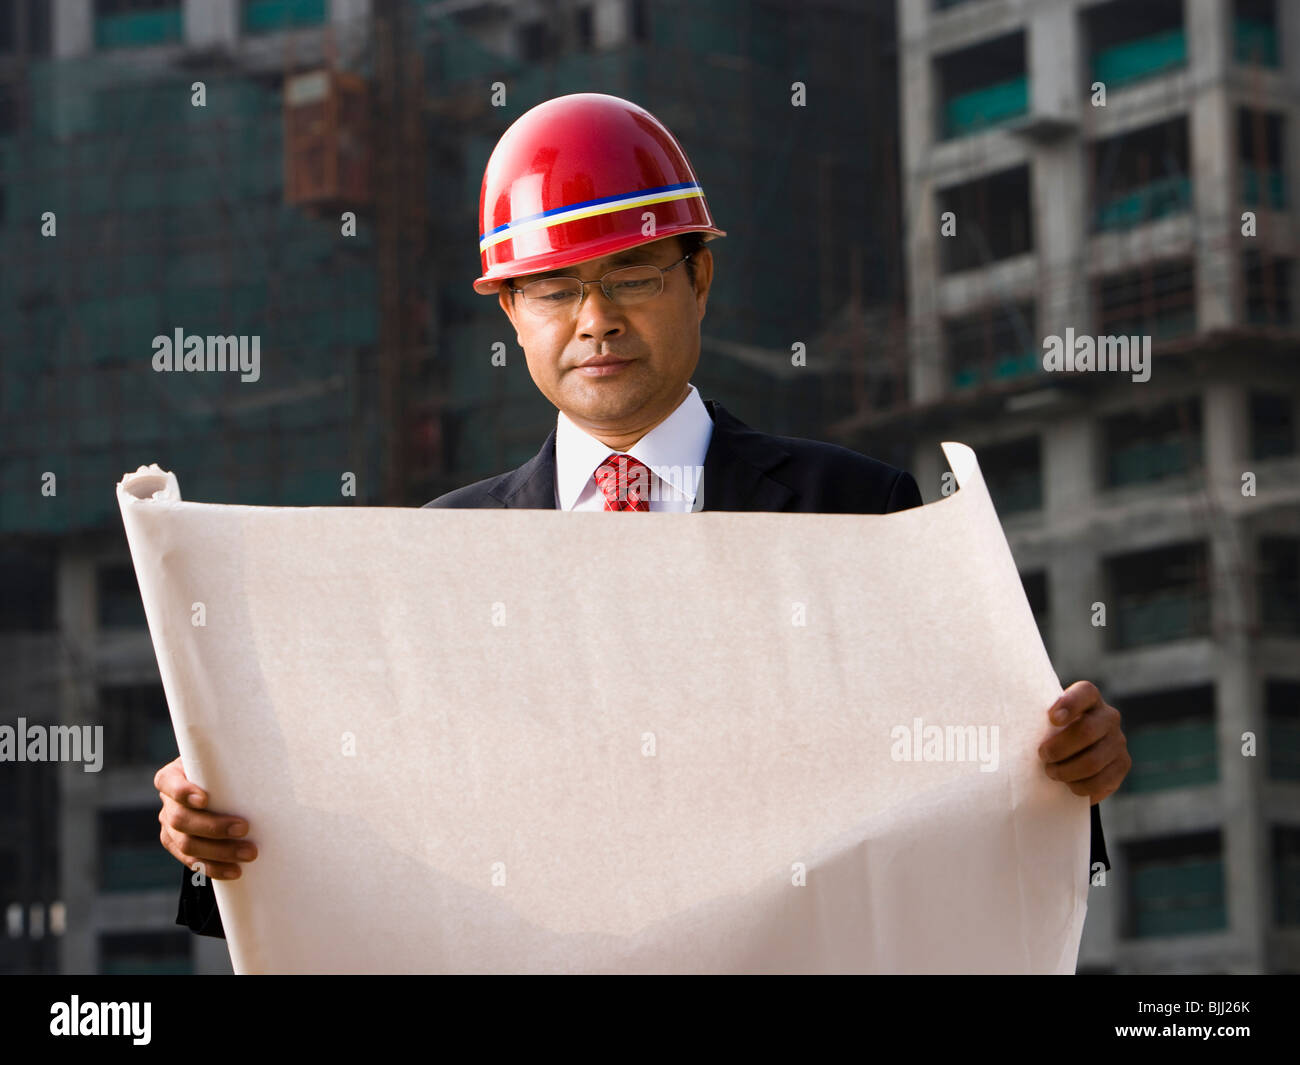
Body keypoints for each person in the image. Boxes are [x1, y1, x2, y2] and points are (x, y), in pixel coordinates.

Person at [157, 93, 1131, 942]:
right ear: (509, 314)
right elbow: (372, 827)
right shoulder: (449, 559)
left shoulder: (858, 513)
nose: (594, 320)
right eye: (551, 289)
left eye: (630, 278)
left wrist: (1059, 779)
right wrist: (214, 836)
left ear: (697, 280)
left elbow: (958, 793)